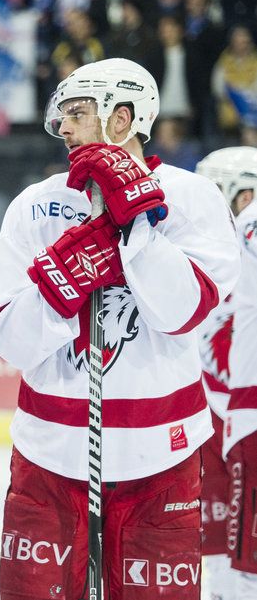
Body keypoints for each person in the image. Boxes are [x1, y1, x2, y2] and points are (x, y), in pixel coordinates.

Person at [0, 57, 240, 599]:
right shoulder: (35, 206)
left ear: (123, 118)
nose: (65, 127)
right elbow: (8, 340)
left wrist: (137, 226)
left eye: (78, 113)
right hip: (49, 455)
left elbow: (183, 313)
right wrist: (62, 282)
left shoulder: (192, 199)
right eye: (64, 115)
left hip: (161, 459)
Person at [196, 146, 257, 600]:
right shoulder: (206, 249)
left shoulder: (247, 236)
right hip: (213, 406)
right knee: (218, 538)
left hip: (240, 405)